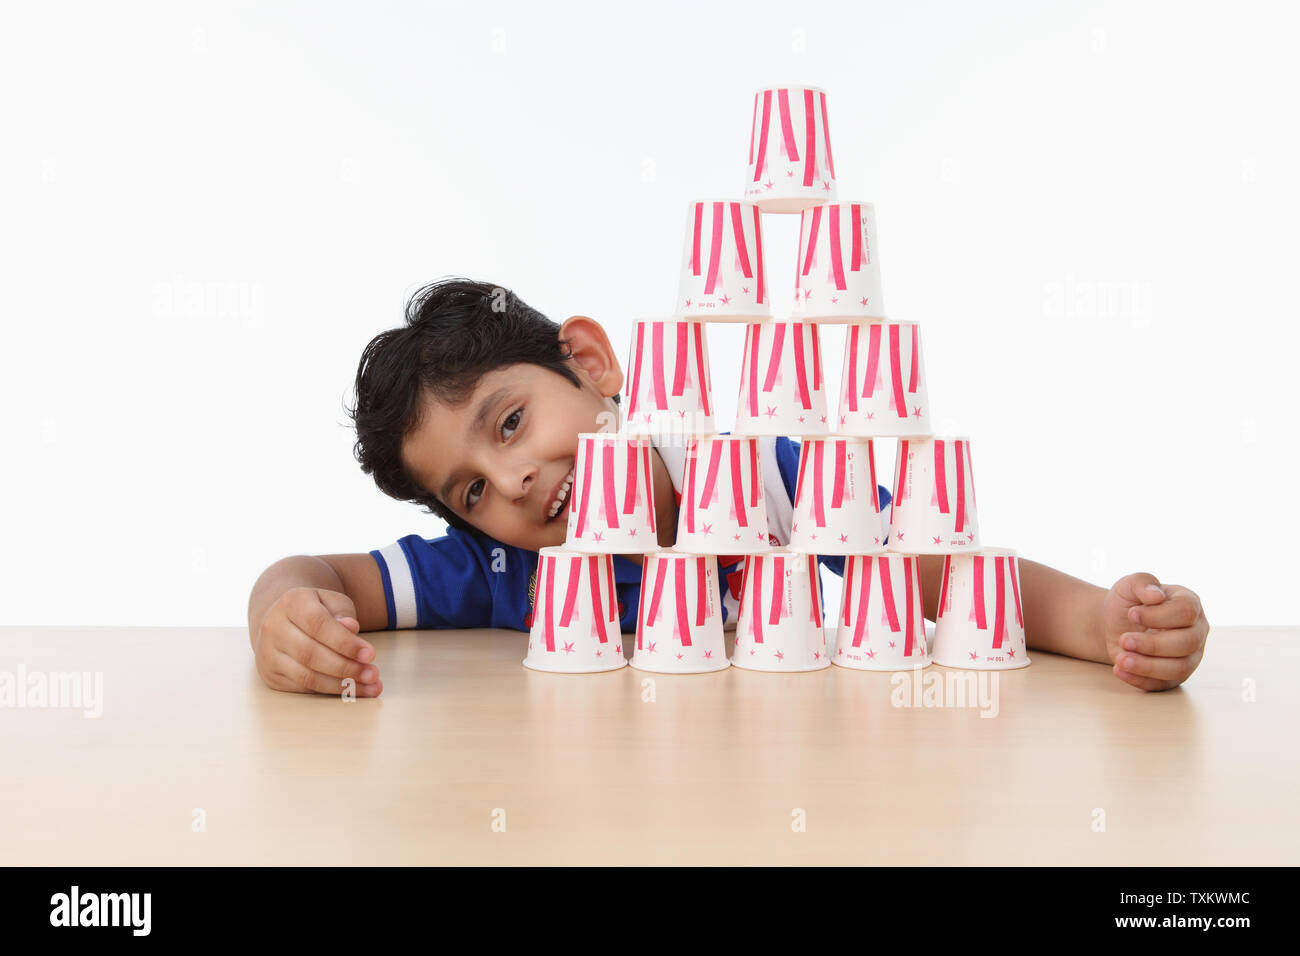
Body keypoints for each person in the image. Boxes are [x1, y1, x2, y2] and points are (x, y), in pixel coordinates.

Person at [246, 278, 1210, 696]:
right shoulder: (501, 568)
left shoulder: (759, 480)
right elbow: (320, 573)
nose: (512, 480)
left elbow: (944, 582)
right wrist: (285, 613)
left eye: (509, 423)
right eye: (468, 491)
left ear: (589, 362)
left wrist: (1105, 623)